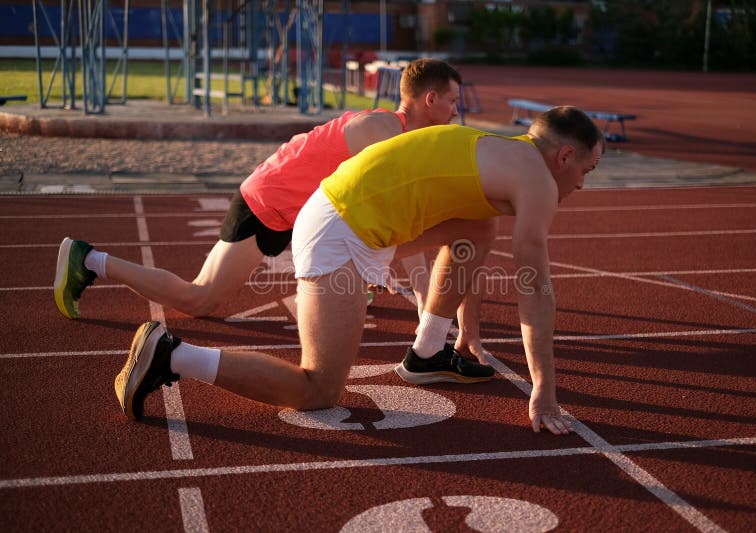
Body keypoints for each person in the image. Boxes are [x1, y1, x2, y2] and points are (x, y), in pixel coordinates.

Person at [114, 106, 604, 435]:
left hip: (354, 222)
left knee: (478, 231)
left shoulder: (502, 154)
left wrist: (460, 325)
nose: (583, 184)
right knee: (319, 388)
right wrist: (543, 388)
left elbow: (457, 232)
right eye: (586, 170)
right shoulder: (536, 180)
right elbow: (535, 289)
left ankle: (428, 350)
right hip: (340, 227)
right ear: (564, 156)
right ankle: (173, 356)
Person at [54, 58, 493, 360]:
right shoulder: (383, 131)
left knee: (366, 253)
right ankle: (90, 260)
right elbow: (390, 215)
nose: (457, 112)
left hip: (298, 211)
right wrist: (422, 299)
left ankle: (372, 289)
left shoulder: (396, 133)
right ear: (430, 99)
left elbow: (393, 221)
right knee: (199, 297)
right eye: (453, 101)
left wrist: (420, 299)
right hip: (268, 203)